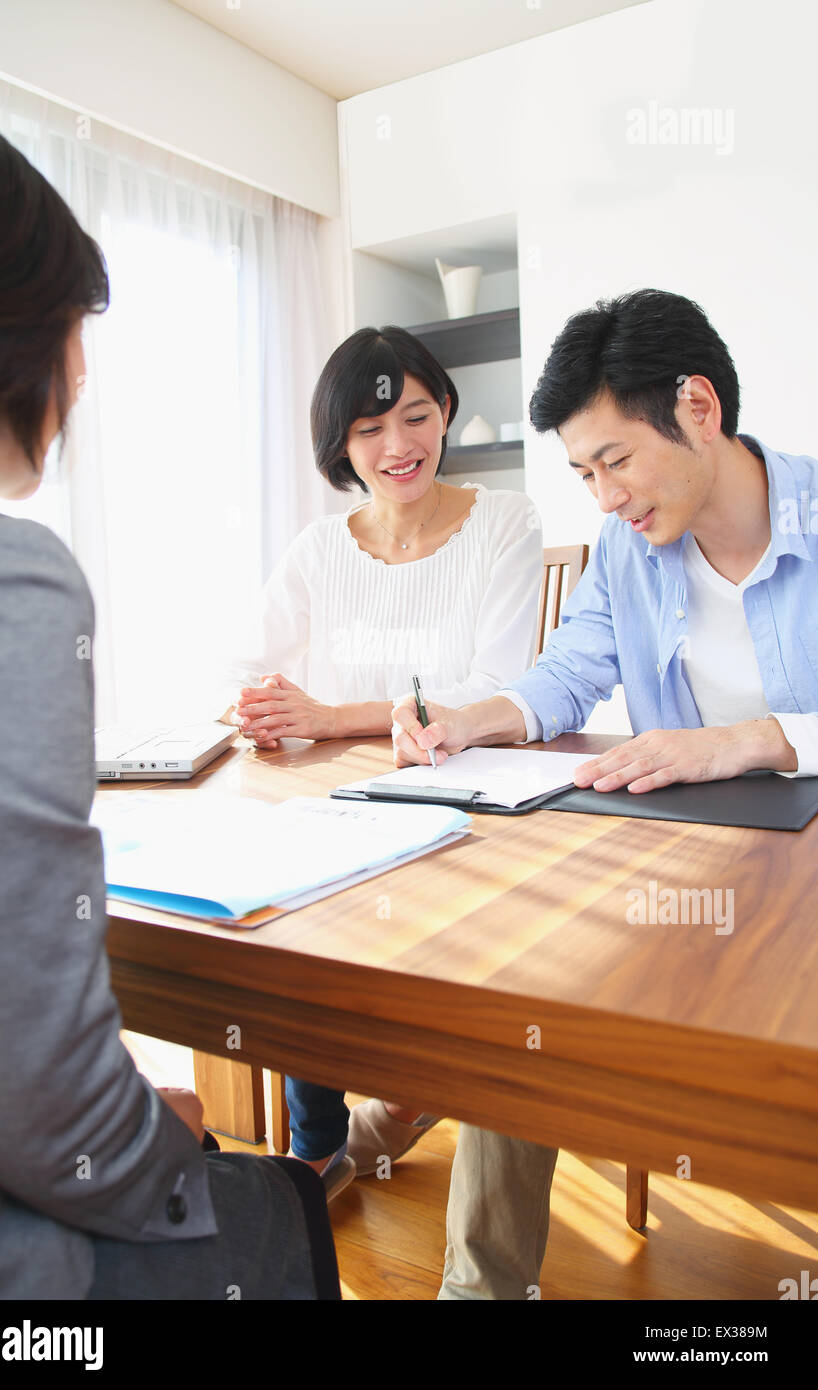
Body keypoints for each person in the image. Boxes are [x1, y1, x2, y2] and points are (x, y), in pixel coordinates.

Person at [0, 107, 339, 1300]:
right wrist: (159, 1135)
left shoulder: (499, 532)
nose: (81, 371)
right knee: (269, 1201)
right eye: (76, 331)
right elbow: (32, 1087)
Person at [392, 287, 818, 1298]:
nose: (604, 497)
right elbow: (564, 675)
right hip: (689, 864)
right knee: (517, 990)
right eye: (583, 472)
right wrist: (467, 719)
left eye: (613, 460)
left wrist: (747, 741)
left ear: (698, 410)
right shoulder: (628, 549)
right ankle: (480, 1290)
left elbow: (732, 746)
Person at [217, 325, 544, 1195]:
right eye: (371, 429)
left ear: (445, 415)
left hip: (471, 804)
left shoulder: (505, 521)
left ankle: (397, 1106)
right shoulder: (320, 549)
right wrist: (259, 709)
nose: (399, 446)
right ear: (341, 444)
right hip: (340, 804)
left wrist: (327, 716)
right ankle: (317, 1148)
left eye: (417, 415)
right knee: (282, 907)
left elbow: (494, 688)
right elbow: (244, 668)